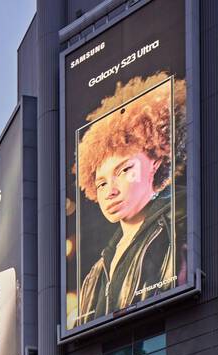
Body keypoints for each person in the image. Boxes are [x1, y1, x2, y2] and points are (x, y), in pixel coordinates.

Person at [70, 73, 187, 330]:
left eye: (124, 170)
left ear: (156, 162)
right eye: (101, 183)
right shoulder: (97, 271)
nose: (109, 191)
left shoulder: (180, 226)